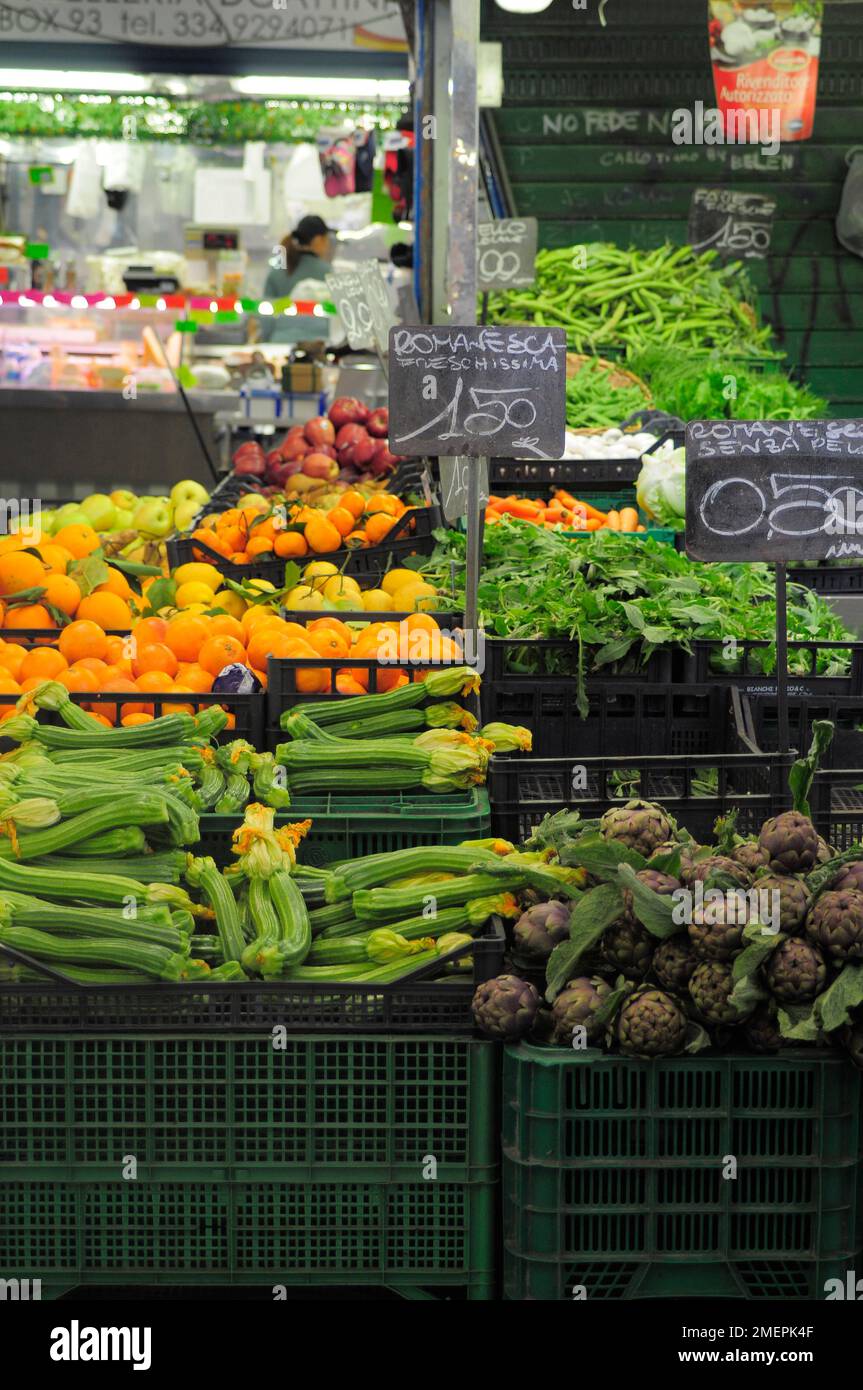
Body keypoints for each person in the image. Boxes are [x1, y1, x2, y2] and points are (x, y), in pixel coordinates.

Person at [256, 215, 334, 344]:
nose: (327, 245)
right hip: (317, 347)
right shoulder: (327, 273)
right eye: (326, 240)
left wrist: (267, 343)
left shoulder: (277, 271)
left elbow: (266, 315)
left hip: (279, 345)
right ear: (318, 240)